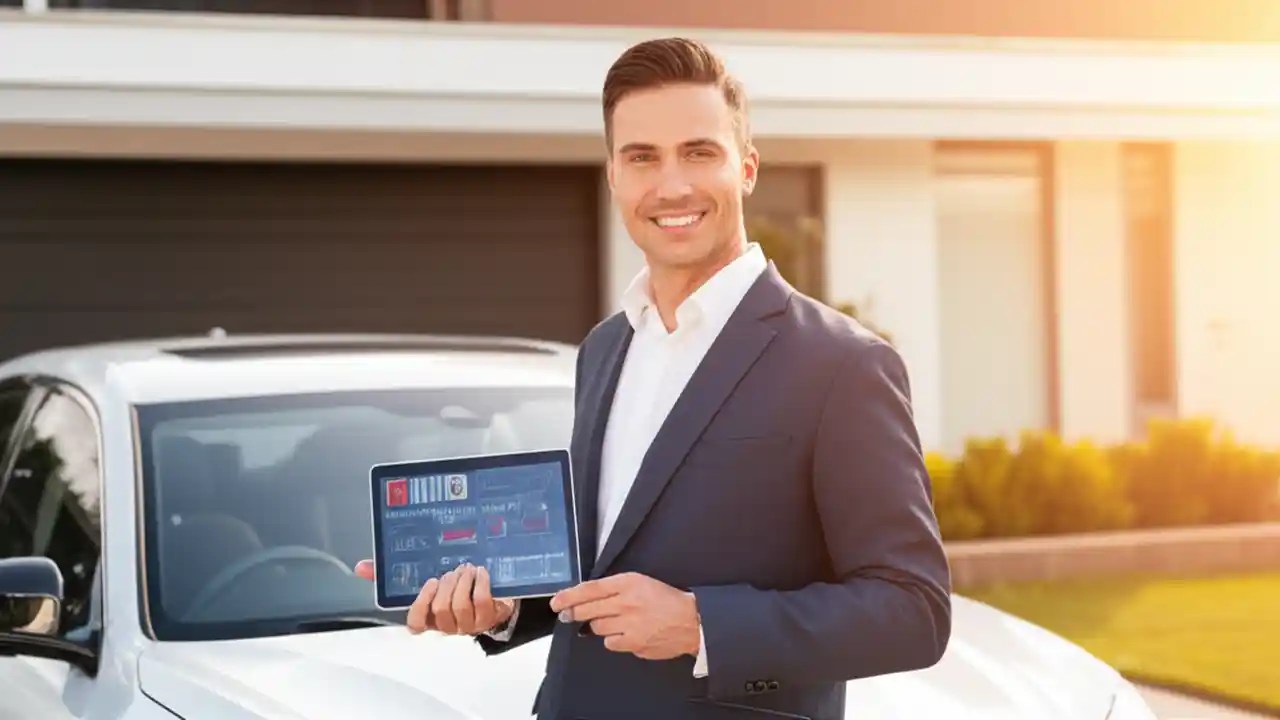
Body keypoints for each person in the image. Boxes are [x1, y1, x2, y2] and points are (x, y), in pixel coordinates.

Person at [356, 36, 951, 720]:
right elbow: (597, 570)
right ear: (614, 177)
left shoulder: (843, 365)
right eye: (643, 158)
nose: (672, 186)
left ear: (747, 168)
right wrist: (502, 609)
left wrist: (703, 626)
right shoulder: (604, 349)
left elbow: (914, 610)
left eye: (699, 152)